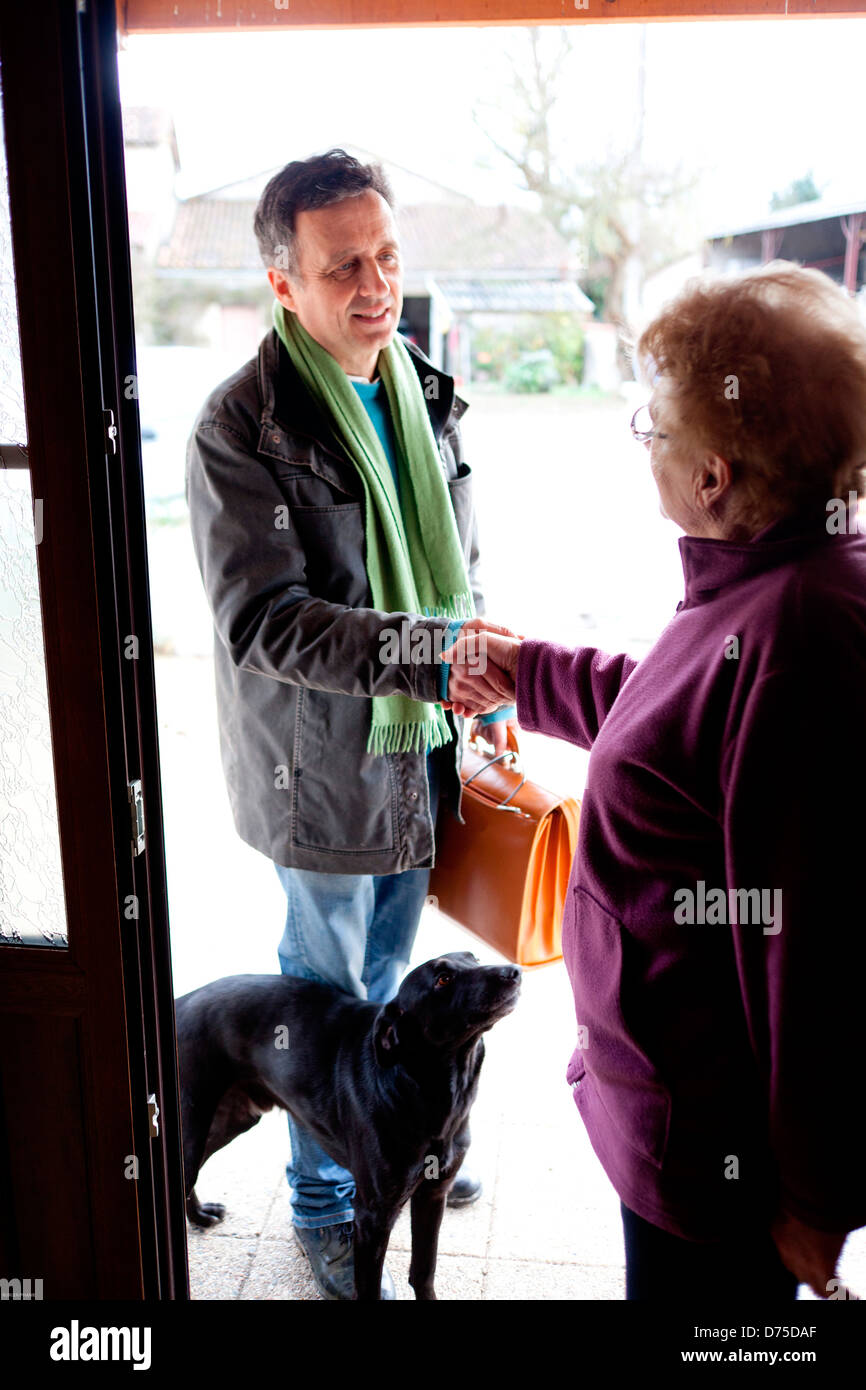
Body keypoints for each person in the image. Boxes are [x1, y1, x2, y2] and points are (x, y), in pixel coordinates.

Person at [445, 261, 866, 1301]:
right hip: (676, 1129)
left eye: (651, 427)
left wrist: (815, 1205)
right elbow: (685, 733)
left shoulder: (802, 632)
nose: (643, 441)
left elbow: (812, 954)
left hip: (722, 1174)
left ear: (712, 472)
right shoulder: (766, 579)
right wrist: (532, 673)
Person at [185, 148, 515, 1300]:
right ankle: (327, 1199)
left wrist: (474, 679)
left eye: (385, 256)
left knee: (385, 972)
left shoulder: (420, 385)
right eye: (342, 269)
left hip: (416, 740)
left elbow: (450, 566)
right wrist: (436, 657)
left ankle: (392, 1142)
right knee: (320, 986)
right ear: (284, 284)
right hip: (314, 765)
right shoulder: (240, 428)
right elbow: (263, 621)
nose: (374, 285)